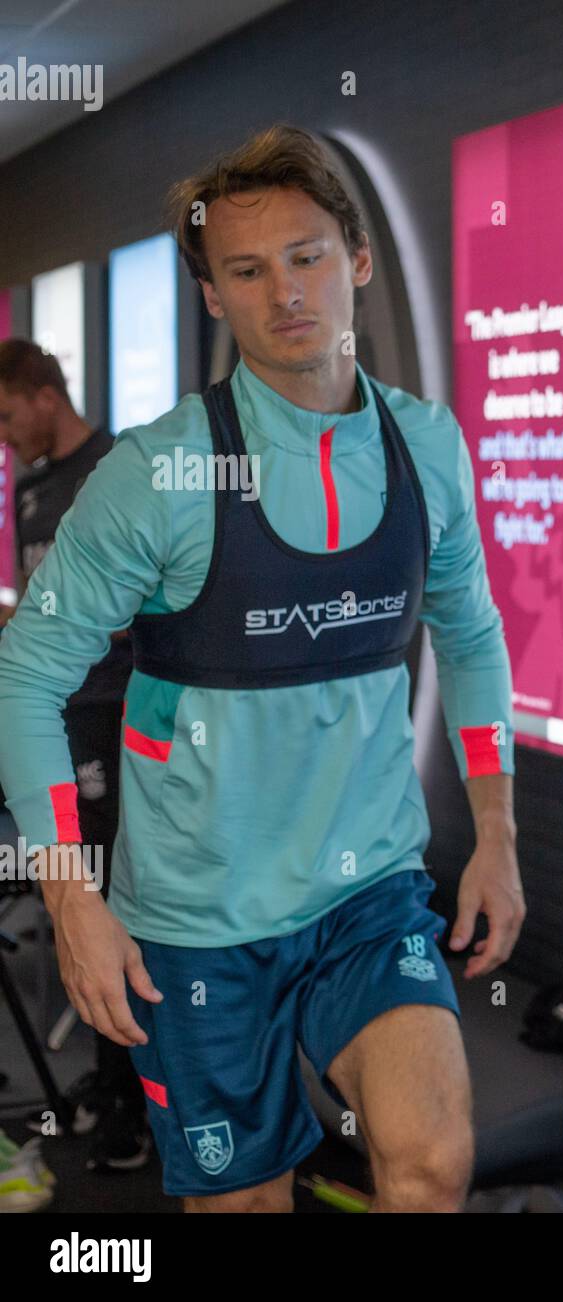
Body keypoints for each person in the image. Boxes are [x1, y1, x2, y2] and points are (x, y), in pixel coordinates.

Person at [0, 123, 525, 1212]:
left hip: (368, 894)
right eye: (246, 269)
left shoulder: (427, 446)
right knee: (246, 1203)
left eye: (307, 255)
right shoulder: (160, 474)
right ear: (212, 295)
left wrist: (498, 837)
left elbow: (471, 637)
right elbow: (28, 675)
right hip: (197, 918)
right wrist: (70, 894)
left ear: (359, 260)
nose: (285, 291)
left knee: (432, 1160)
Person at [0, 340, 149, 1174]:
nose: (5, 433)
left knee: (113, 894)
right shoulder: (27, 491)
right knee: (74, 899)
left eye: (8, 414)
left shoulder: (120, 470)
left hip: (111, 720)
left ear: (45, 396)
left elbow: (148, 601)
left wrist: (67, 622)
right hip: (44, 721)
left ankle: (132, 1090)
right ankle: (108, 1075)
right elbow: (30, 607)